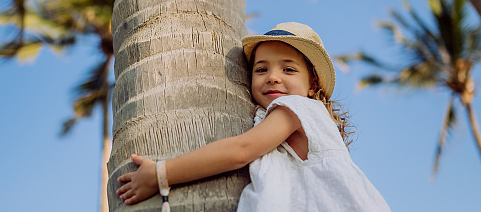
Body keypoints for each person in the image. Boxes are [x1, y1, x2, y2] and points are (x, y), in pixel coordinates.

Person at [116, 22, 391, 211]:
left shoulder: (298, 108)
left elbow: (241, 150)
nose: (273, 77)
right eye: (261, 69)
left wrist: (162, 173)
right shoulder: (280, 117)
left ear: (312, 86)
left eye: (289, 70)